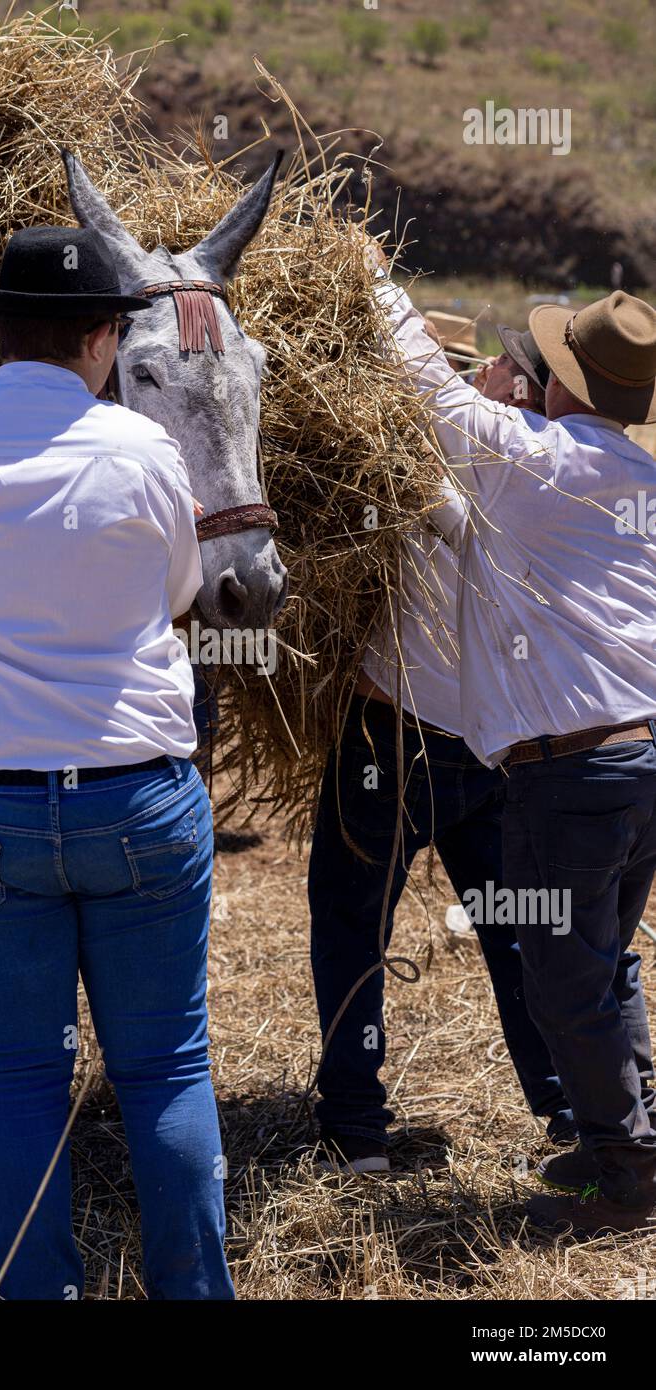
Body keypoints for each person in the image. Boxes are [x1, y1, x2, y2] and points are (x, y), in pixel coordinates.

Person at [0, 225, 234, 1298]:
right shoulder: (141, 452)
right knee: (166, 1067)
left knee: (18, 1079)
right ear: (100, 338)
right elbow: (179, 594)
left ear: (1, 329)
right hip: (136, 802)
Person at [375, 268, 656, 1236]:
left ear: (568, 385)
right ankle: (631, 1129)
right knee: (604, 960)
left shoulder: (540, 459)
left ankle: (625, 1178)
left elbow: (430, 392)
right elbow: (503, 549)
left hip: (568, 774)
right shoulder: (636, 481)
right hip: (640, 762)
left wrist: (369, 278)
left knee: (564, 978)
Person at [309, 314, 572, 1175]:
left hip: (393, 738)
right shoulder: (574, 488)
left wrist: (369, 289)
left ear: (524, 392)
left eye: (498, 365)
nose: (483, 369)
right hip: (503, 749)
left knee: (351, 921)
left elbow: (419, 376)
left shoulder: (464, 458)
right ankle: (574, 1116)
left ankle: (355, 1131)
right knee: (518, 931)